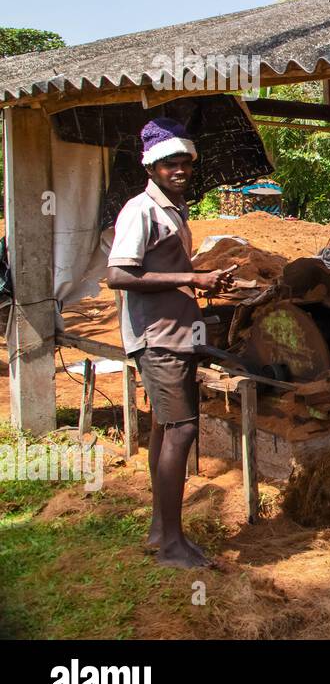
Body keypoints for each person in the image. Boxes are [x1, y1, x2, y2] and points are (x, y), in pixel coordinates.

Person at [105, 118, 233, 569]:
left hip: (178, 333)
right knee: (183, 429)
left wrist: (203, 284)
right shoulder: (139, 210)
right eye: (169, 164)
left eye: (185, 164)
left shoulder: (172, 211)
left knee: (165, 426)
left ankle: (161, 530)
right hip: (156, 337)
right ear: (152, 167)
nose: (179, 171)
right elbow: (118, 275)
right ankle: (173, 546)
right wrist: (191, 277)